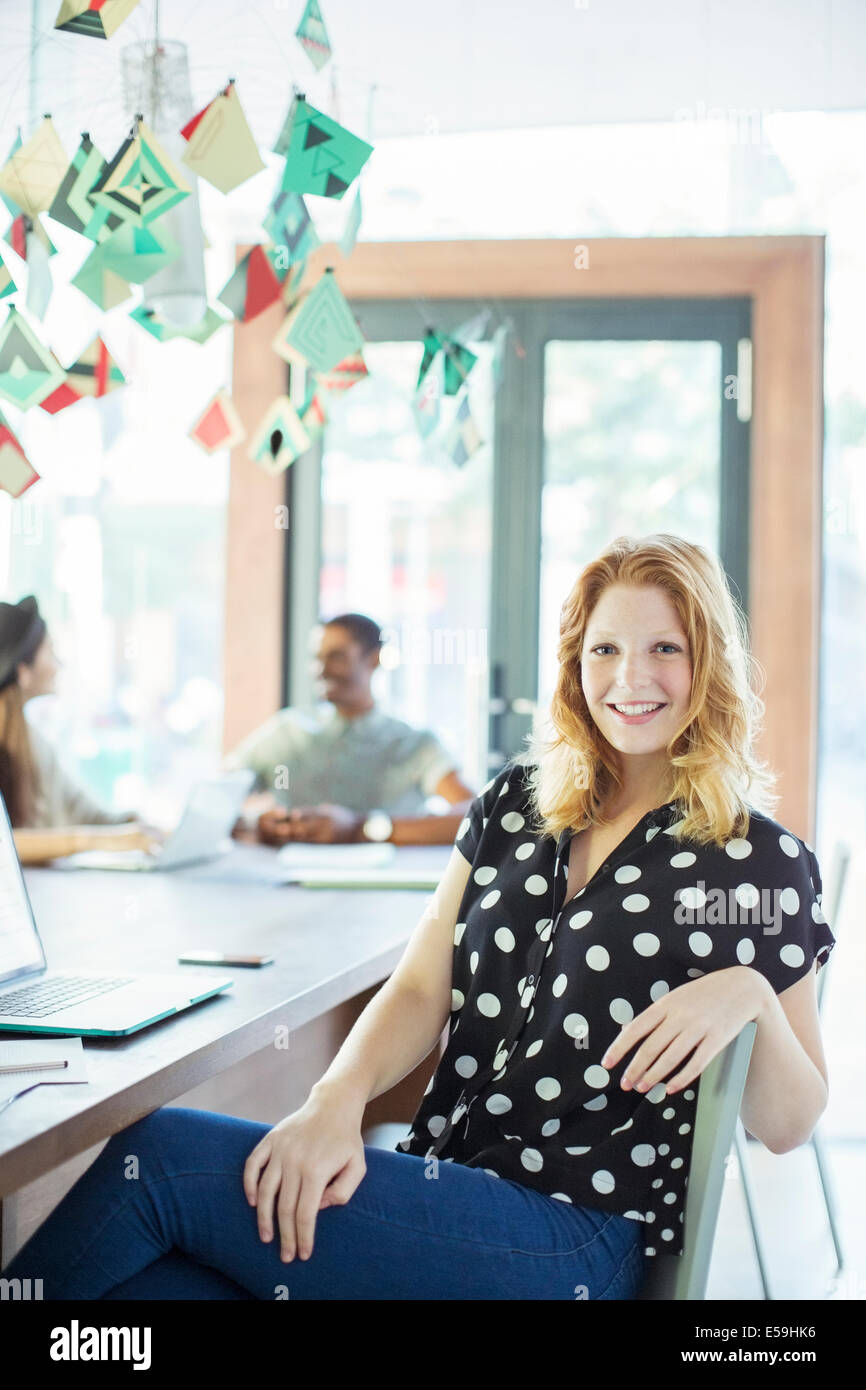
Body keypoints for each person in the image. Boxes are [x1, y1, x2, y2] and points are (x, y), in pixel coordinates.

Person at [1, 535, 835, 1300]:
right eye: (605, 649)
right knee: (158, 1286)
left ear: (708, 664)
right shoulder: (516, 805)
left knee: (159, 1161)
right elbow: (419, 985)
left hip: (573, 1239)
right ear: (575, 664)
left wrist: (751, 993)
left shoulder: (754, 860)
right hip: (446, 1188)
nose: (630, 677)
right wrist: (334, 1101)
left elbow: (789, 1123)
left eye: (665, 649)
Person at [224, 612, 476, 847]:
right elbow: (214, 799)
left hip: (381, 886)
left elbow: (473, 815)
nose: (321, 670)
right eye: (317, 658)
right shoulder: (285, 733)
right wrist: (254, 821)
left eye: (336, 657)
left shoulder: (413, 744)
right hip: (282, 884)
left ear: (373, 660)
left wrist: (362, 829)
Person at [0, 595, 155, 864]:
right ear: (23, 670)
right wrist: (89, 841)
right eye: (50, 651)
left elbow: (86, 812)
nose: (59, 665)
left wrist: (139, 826)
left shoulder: (35, 742)